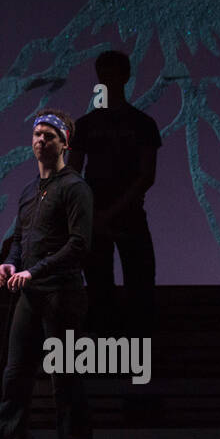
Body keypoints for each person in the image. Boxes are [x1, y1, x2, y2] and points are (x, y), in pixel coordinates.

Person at [0, 111, 94, 439]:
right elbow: (22, 240)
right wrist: (9, 263)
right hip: (31, 297)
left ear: (64, 142)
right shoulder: (28, 192)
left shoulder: (75, 188)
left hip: (64, 297)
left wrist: (35, 271)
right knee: (14, 379)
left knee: (66, 382)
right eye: (37, 134)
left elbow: (79, 245)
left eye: (50, 135)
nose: (41, 140)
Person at [68, 50, 161, 339]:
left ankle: (137, 351)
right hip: (100, 215)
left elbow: (147, 176)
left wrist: (104, 213)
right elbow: (73, 173)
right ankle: (107, 356)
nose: (107, 81)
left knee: (139, 283)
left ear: (125, 77)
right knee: (99, 287)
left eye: (112, 74)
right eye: (103, 75)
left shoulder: (142, 124)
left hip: (126, 213)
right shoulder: (85, 125)